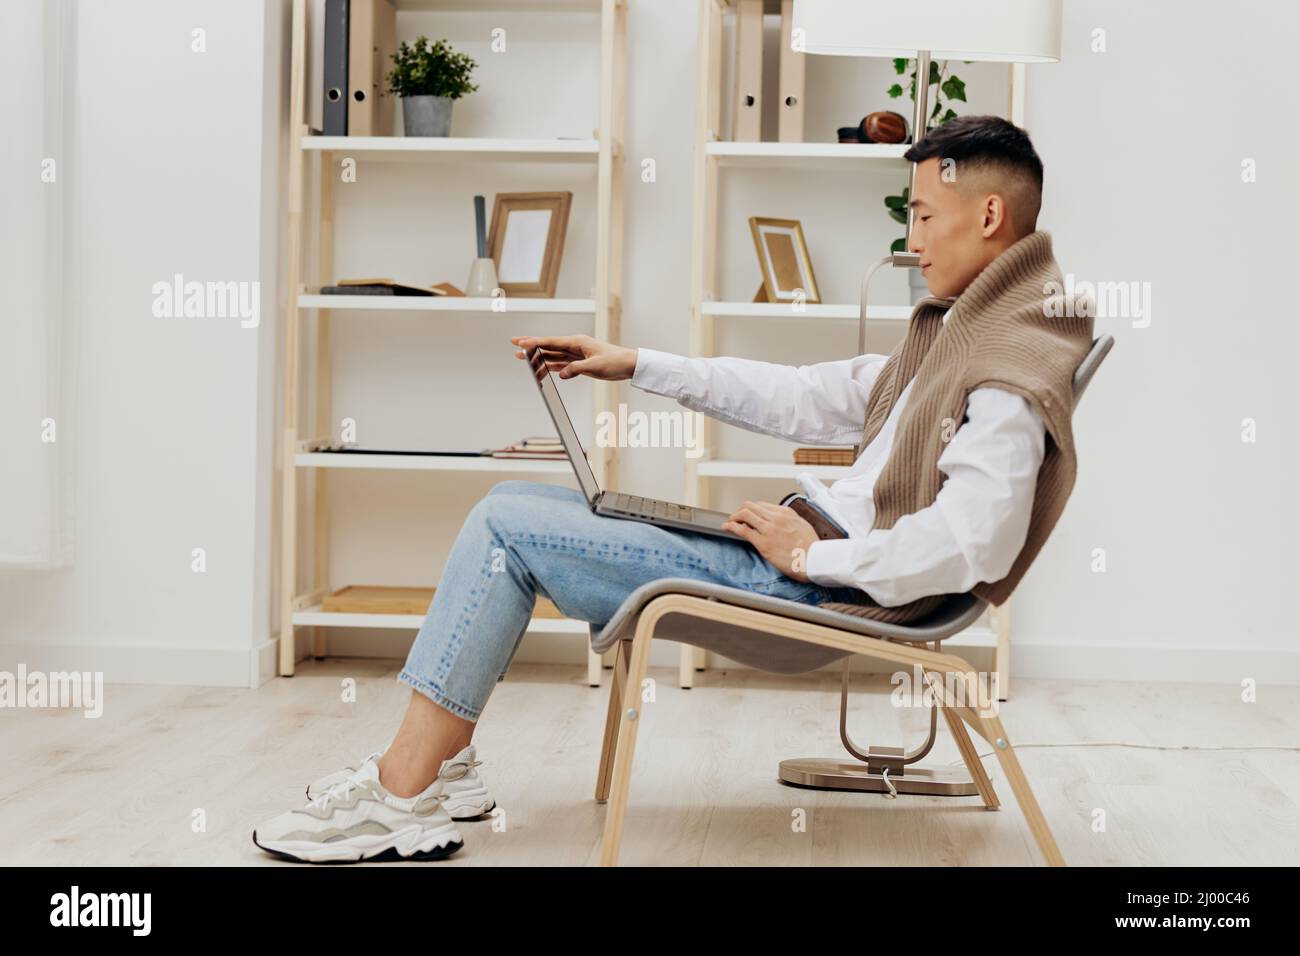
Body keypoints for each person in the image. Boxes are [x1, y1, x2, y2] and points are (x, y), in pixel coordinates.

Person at [253, 115, 1093, 863]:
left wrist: (817, 554)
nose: (911, 240)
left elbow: (975, 540)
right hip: (787, 554)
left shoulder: (1009, 364)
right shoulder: (959, 335)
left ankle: (404, 791)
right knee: (522, 506)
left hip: (801, 582)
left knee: (506, 521)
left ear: (989, 216)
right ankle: (445, 765)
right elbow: (802, 392)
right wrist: (636, 364)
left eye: (921, 217)